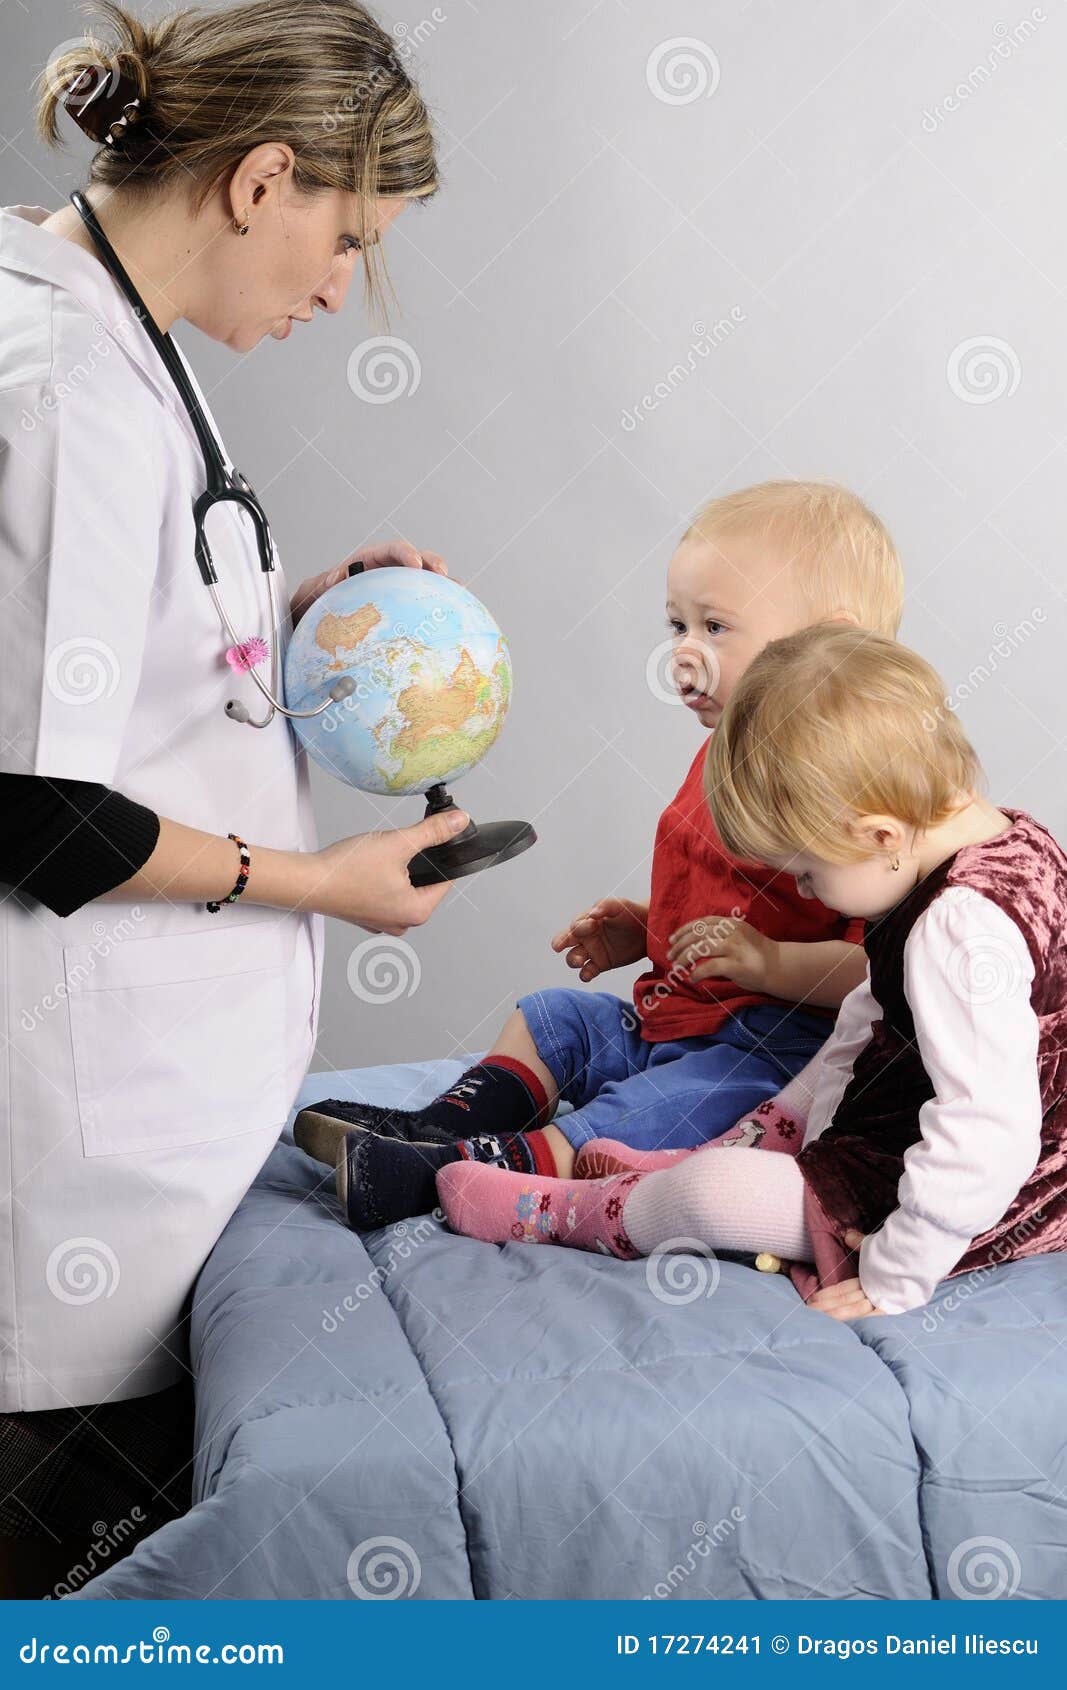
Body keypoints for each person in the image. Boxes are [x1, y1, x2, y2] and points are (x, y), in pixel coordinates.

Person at [0, 0, 461, 1596]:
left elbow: (102, 665)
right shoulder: (65, 387)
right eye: (349, 241)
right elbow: (37, 814)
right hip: (79, 1179)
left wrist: (288, 606)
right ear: (263, 180)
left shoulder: (121, 338)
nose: (339, 290)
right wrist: (329, 883)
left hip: (156, 1151)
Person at [295, 480, 904, 1226]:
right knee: (556, 1018)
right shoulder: (723, 754)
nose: (683, 654)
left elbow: (884, 968)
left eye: (715, 627)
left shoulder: (848, 787)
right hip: (668, 1023)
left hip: (769, 1057)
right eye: (677, 625)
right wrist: (652, 928)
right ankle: (439, 1126)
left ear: (829, 644)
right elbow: (740, 902)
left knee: (663, 1108)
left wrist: (769, 965)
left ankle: (459, 1172)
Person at [436, 624, 1066, 1324]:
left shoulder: (958, 928)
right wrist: (804, 1118)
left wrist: (898, 1269)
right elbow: (875, 1010)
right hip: (911, 1119)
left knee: (713, 1194)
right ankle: (759, 1138)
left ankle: (569, 1212)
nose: (805, 892)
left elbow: (987, 1133)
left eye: (807, 871)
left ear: (881, 836)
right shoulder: (1008, 836)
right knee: (844, 1039)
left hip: (977, 1189)